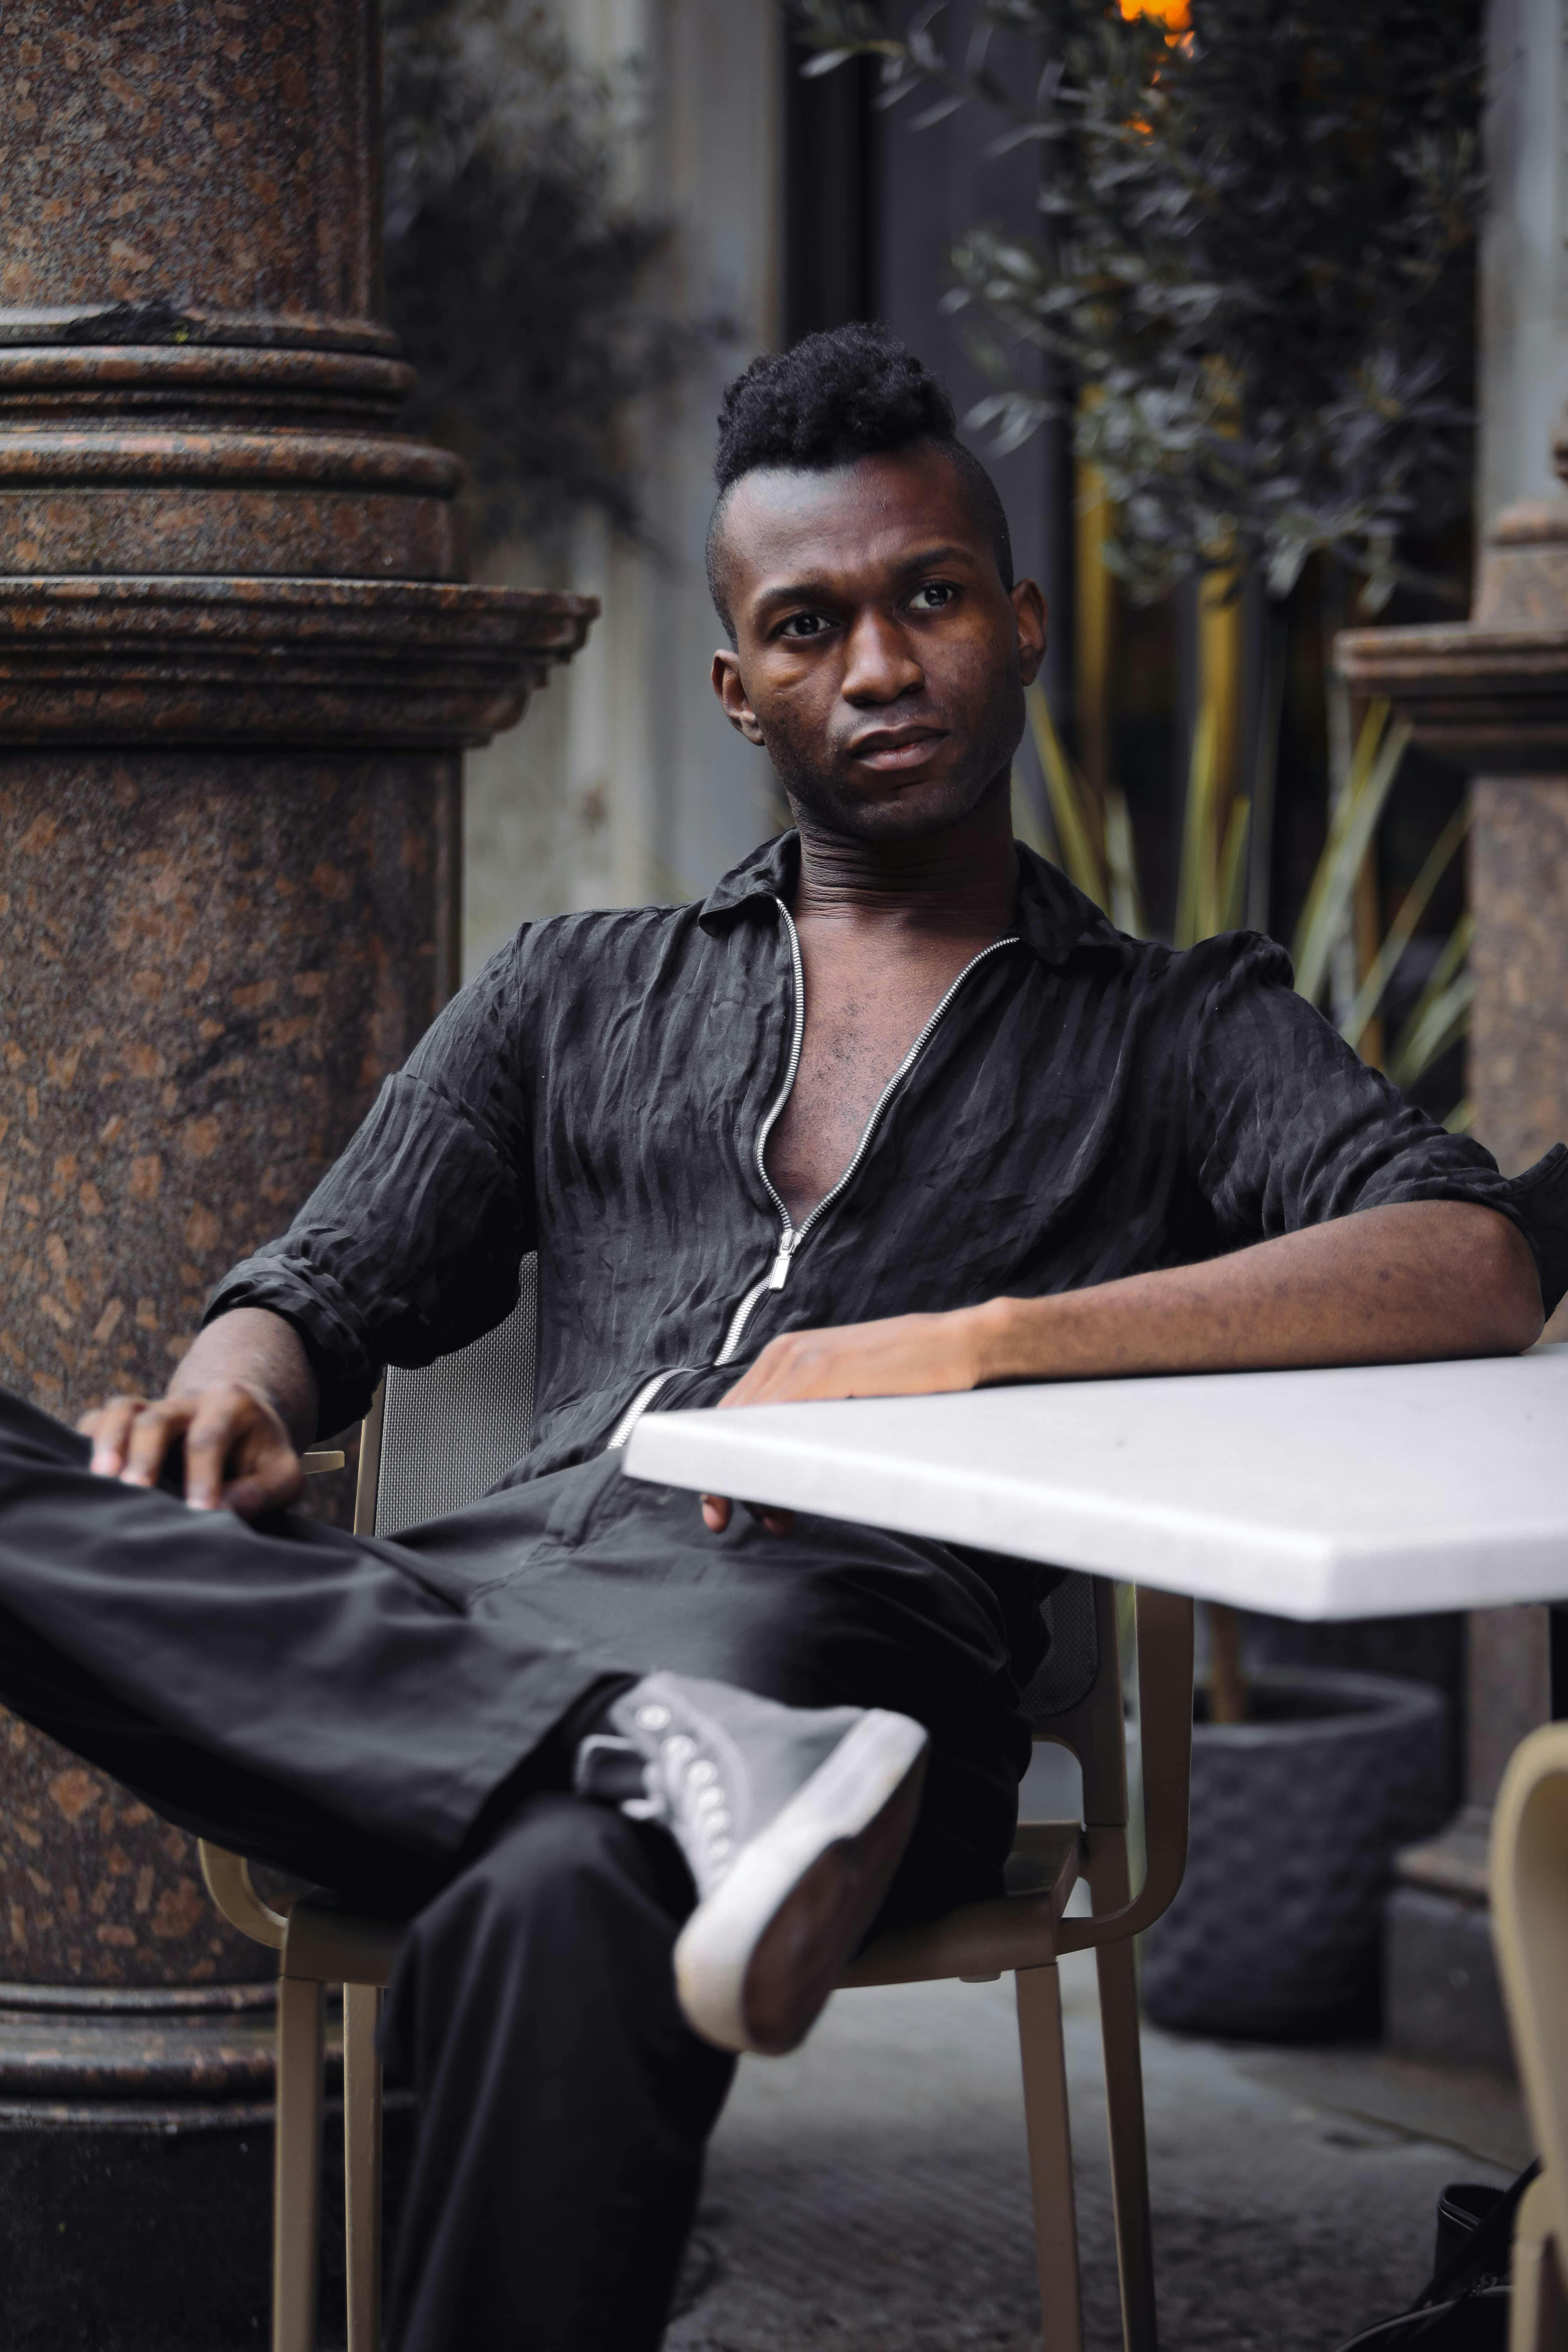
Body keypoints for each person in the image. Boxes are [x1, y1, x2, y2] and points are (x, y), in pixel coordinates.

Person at [0, 323, 1563, 2352]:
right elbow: (322, 1288)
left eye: (928, 601)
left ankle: (674, 1757)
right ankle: (637, 1759)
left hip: (847, 1659)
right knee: (564, 1853)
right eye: (813, 627)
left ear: (1017, 620)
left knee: (561, 1893)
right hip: (481, 1618)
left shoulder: (1175, 1029)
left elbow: (1471, 1260)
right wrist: (227, 1393)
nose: (884, 670)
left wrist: (980, 1343)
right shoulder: (577, 990)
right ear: (743, 690)